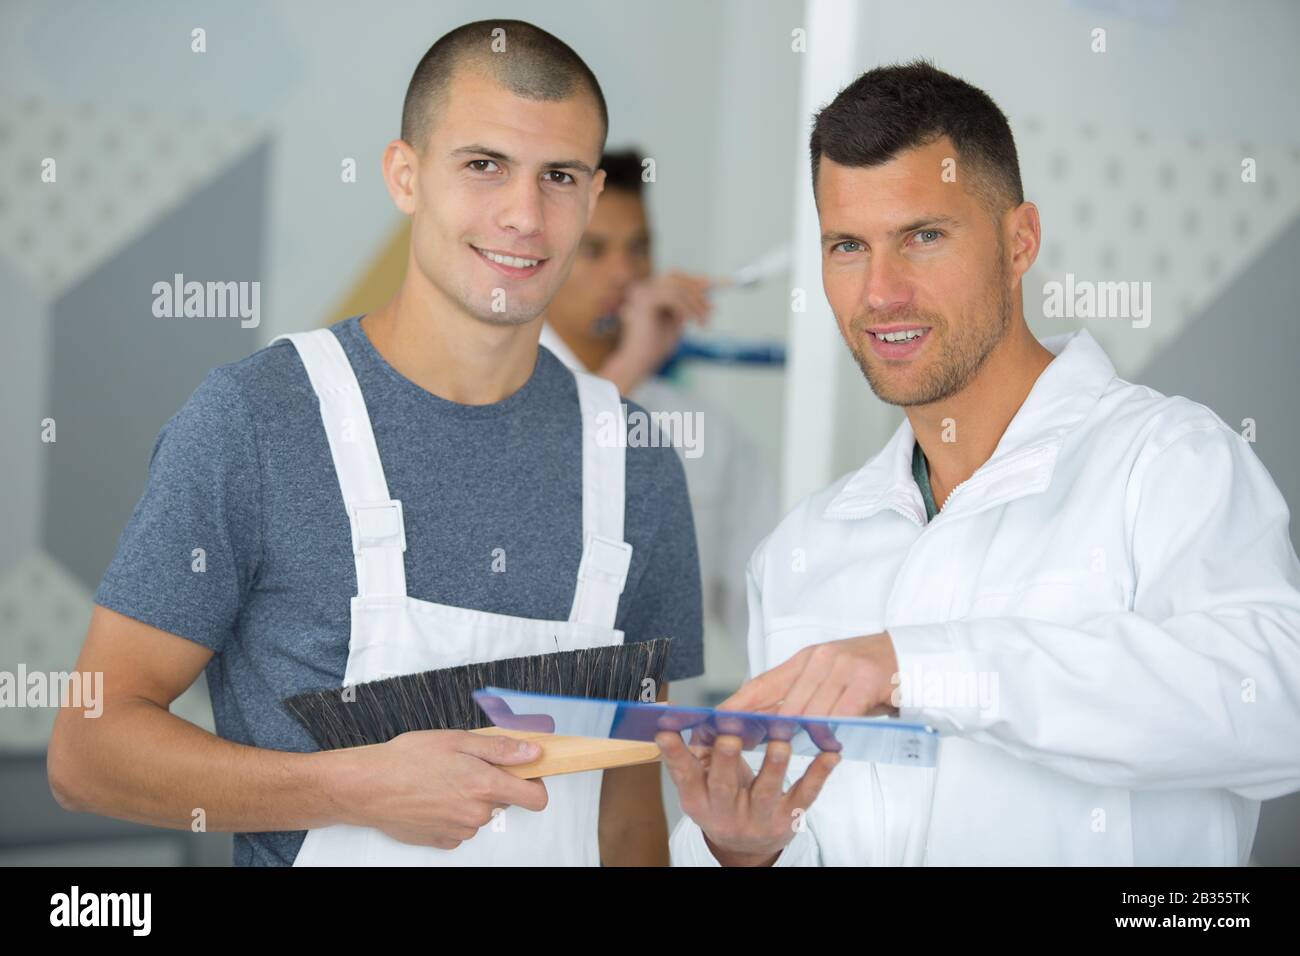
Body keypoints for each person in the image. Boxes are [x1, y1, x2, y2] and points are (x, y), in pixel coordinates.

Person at [48, 19, 703, 867]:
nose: (523, 215)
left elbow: (625, 815)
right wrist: (352, 787)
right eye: (483, 165)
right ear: (404, 175)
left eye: (561, 177)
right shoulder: (257, 422)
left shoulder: (635, 460)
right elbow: (87, 752)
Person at [661, 60, 1300, 866]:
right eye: (848, 246)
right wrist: (742, 849)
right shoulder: (803, 551)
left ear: (1019, 239)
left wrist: (920, 665)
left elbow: (1278, 706)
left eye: (923, 236)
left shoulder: (1168, 463)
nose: (882, 292)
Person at [539, 149, 779, 674]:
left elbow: (770, 612)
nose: (624, 274)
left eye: (639, 249)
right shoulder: (491, 388)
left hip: (664, 750)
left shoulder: (704, 435)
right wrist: (629, 364)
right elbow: (527, 485)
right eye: (595, 250)